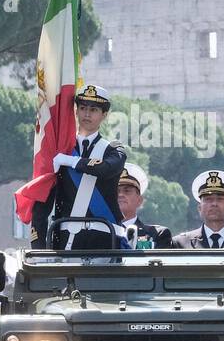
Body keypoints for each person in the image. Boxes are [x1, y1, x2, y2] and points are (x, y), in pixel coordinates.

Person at [30, 85, 128, 250]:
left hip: (105, 240)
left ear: (104, 115)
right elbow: (42, 203)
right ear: (76, 111)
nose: (87, 114)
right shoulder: (60, 149)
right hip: (66, 240)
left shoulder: (113, 149)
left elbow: (106, 169)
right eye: (82, 108)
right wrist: (39, 248)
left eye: (94, 109)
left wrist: (72, 161)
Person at [173, 170, 224, 249]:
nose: (214, 204)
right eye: (208, 199)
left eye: (220, 199)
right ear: (199, 208)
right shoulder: (181, 243)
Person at [117, 162, 173, 249]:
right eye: (116, 191)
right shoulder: (100, 232)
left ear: (139, 200)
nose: (120, 195)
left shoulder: (157, 235)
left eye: (127, 191)